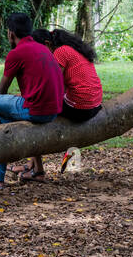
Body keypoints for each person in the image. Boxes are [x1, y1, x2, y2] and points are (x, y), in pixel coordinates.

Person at [0, 12, 64, 190]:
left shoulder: (16, 53)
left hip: (34, 110)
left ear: (10, 34)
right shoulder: (44, 49)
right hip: (53, 111)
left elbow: (1, 92)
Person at [14, 27, 104, 180]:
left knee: (32, 111)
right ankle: (31, 165)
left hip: (80, 106)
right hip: (95, 104)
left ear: (48, 44)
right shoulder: (72, 50)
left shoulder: (60, 53)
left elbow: (52, 86)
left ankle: (38, 171)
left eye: (39, 49)